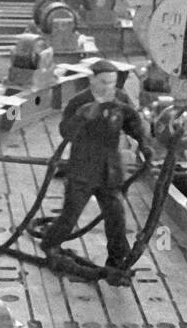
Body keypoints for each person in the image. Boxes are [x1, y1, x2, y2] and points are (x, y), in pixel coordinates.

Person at [40, 59, 155, 283]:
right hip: (82, 170)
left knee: (116, 217)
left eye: (111, 83)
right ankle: (51, 245)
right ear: (92, 79)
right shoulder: (79, 102)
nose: (107, 87)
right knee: (70, 215)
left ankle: (116, 260)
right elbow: (66, 132)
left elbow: (132, 123)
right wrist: (82, 116)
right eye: (103, 82)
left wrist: (144, 143)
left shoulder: (120, 99)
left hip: (109, 171)